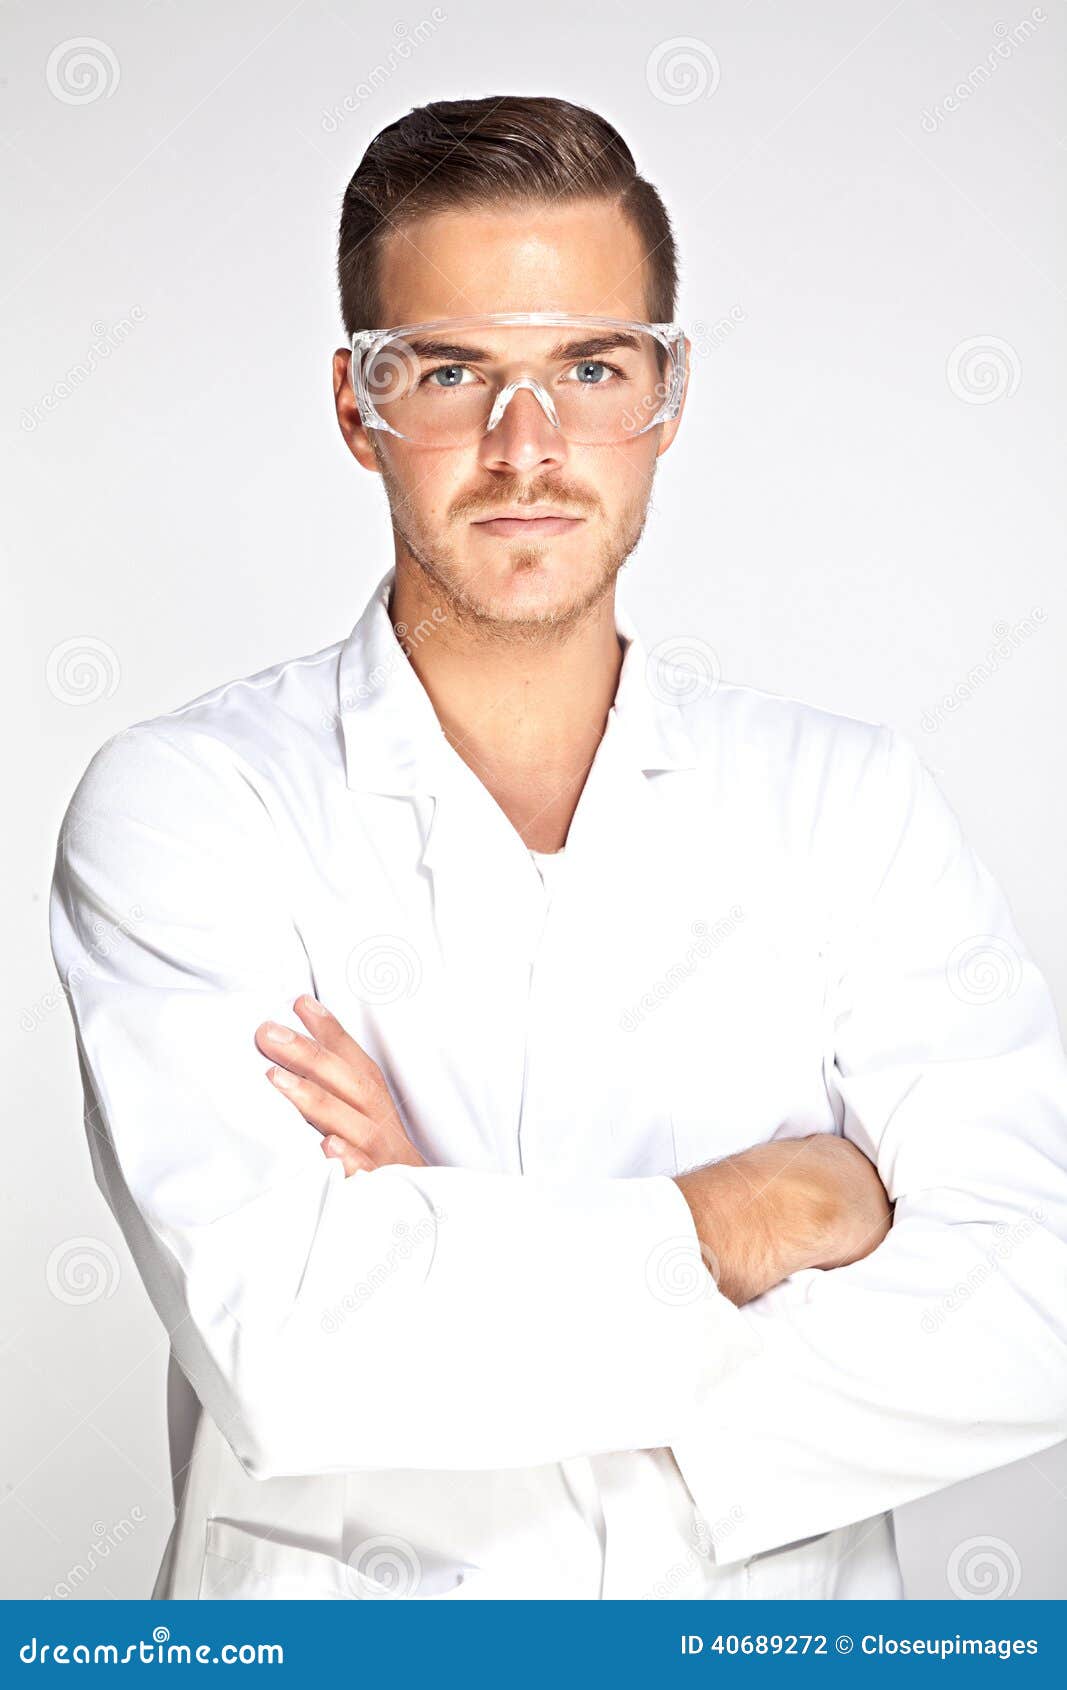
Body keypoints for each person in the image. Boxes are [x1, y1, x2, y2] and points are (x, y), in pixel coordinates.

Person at [49, 96, 1067, 1602]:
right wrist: (760, 1213)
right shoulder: (189, 807)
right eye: (455, 372)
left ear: (667, 392)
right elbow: (296, 1346)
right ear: (358, 405)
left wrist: (434, 1234)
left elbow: (1035, 1299)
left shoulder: (847, 802)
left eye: (591, 367)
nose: (528, 448)